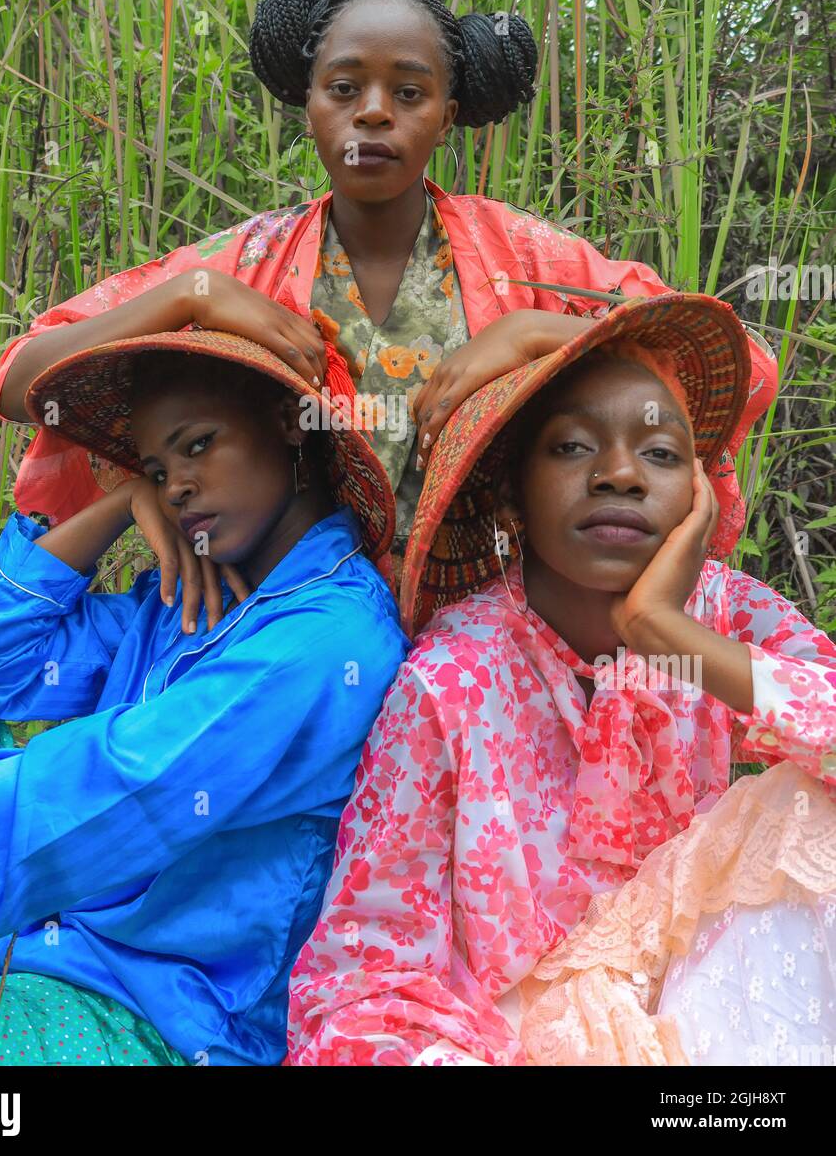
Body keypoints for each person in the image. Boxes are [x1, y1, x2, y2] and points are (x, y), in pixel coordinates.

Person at [0, 0, 777, 597]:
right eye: (343, 88)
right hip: (288, 629)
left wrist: (535, 334)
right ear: (307, 106)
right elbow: (25, 383)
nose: (373, 114)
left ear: (447, 113)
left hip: (485, 656)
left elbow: (731, 369)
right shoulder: (247, 262)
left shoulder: (521, 256)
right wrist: (188, 295)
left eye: (408, 91)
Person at [286, 293, 836, 1066]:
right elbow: (366, 971)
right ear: (513, 490)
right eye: (573, 448)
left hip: (713, 1020)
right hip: (531, 1044)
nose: (618, 474)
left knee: (814, 809)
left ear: (698, 498)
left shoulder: (723, 615)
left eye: (660, 453)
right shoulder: (451, 683)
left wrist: (664, 631)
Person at [0, 328, 409, 1067]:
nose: (177, 486)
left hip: (145, 1009)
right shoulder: (195, 592)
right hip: (49, 920)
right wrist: (119, 505)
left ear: (290, 424)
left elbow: (109, 785)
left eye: (198, 446)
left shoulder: (325, 641)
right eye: (157, 468)